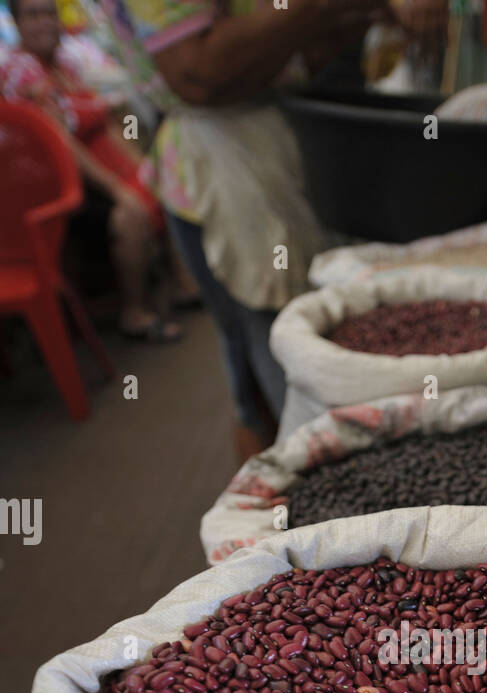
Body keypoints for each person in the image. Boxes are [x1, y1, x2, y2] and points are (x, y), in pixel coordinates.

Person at [95, 0, 449, 461]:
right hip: (228, 160)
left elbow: (300, 49)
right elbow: (198, 73)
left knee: (277, 347)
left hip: (271, 146)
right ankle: (307, 494)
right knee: (284, 359)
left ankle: (295, 475)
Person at [2, 0, 191, 341]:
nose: (44, 22)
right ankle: (136, 312)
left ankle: (183, 284)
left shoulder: (64, 66)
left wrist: (142, 169)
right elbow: (63, 143)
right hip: (61, 188)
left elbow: (105, 125)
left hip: (96, 171)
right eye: (32, 15)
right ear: (16, 24)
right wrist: (121, 191)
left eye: (49, 13)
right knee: (129, 212)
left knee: (163, 180)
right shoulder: (23, 72)